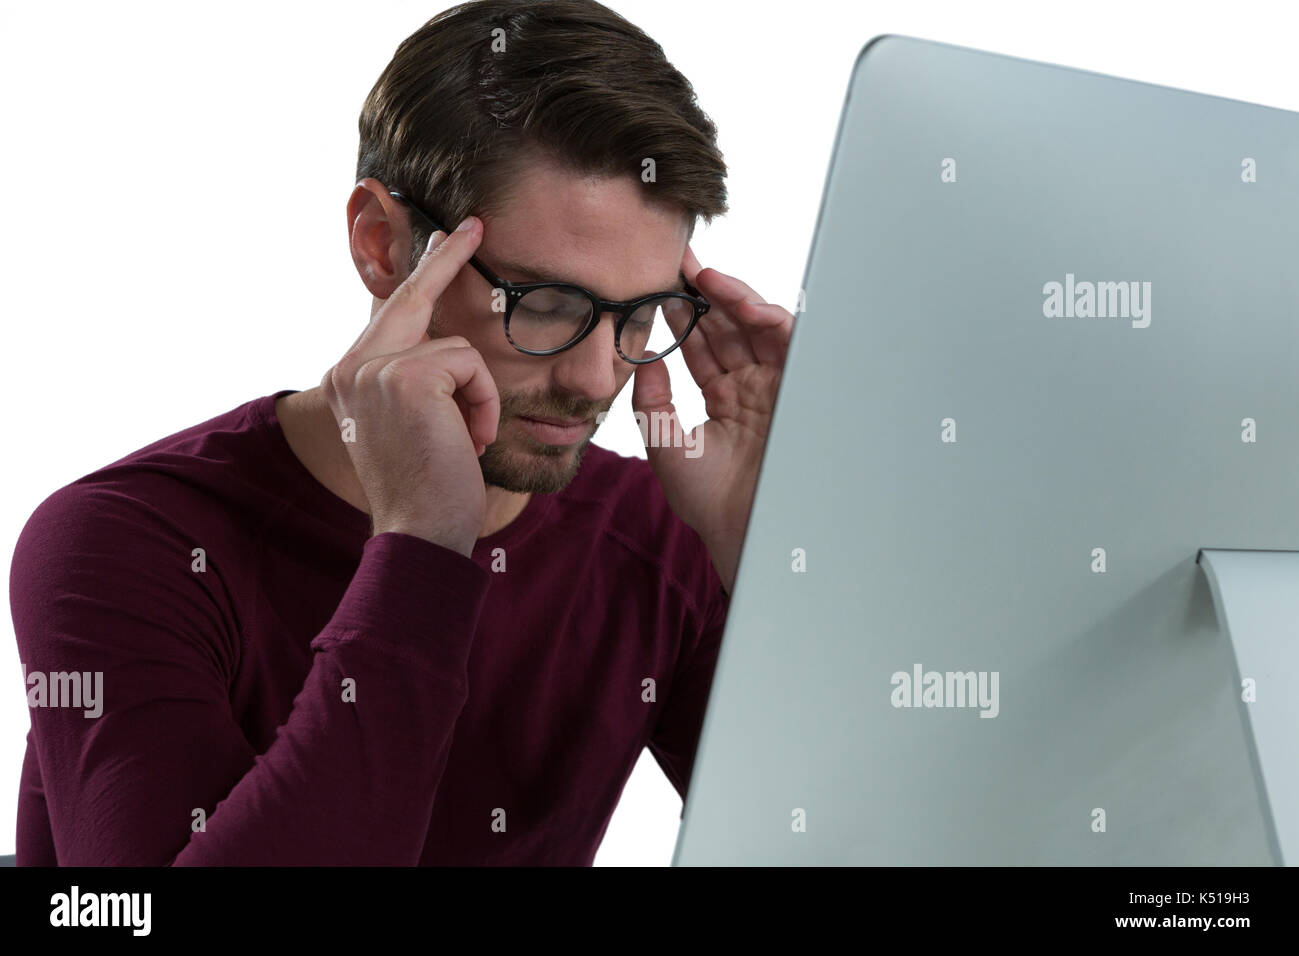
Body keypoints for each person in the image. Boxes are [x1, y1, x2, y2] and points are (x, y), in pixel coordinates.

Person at [10, 0, 793, 865]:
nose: (595, 377)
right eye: (543, 304)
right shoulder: (121, 544)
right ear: (383, 244)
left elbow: (837, 846)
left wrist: (766, 565)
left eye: (641, 316)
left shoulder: (661, 535)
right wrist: (421, 548)